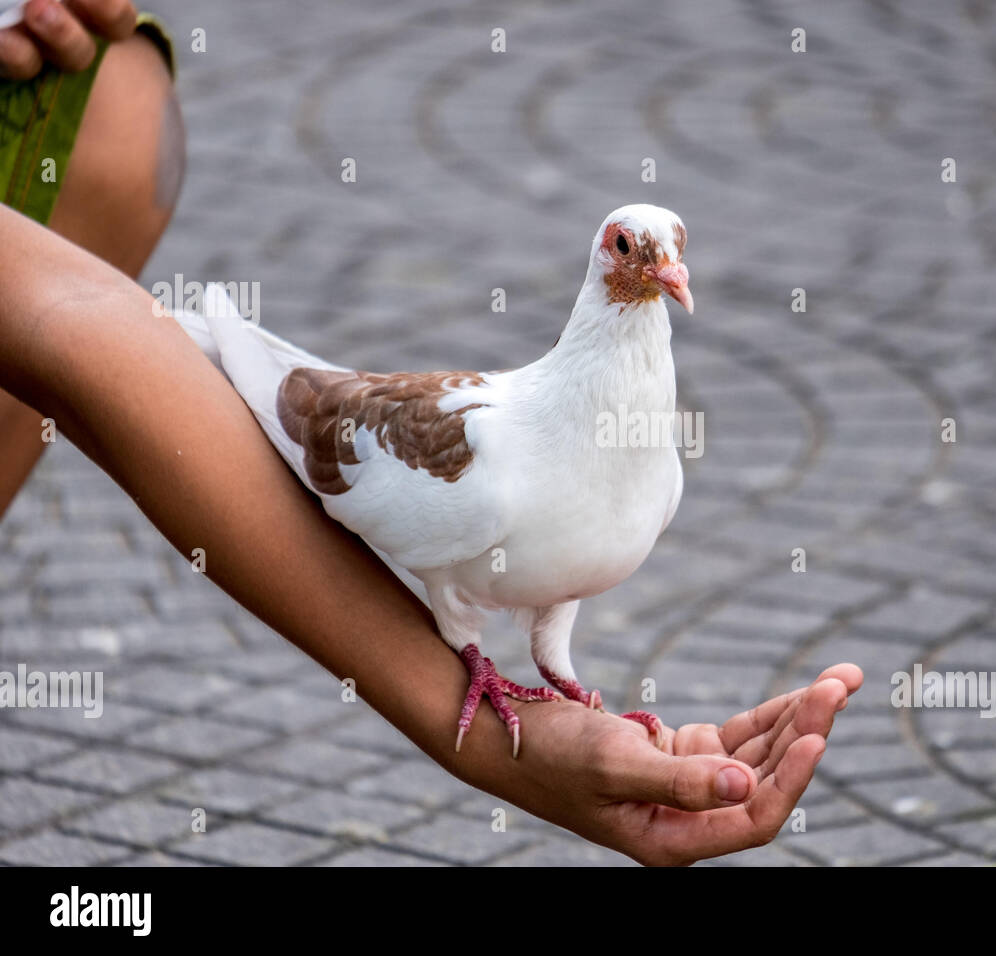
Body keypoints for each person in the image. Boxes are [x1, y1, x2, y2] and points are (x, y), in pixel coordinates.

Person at [0, 0, 863, 866]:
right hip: (382, 422)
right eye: (633, 248)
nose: (658, 265)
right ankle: (478, 655)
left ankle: (554, 673)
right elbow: (72, 342)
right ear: (608, 258)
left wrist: (566, 696)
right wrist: (474, 693)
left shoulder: (657, 474)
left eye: (667, 251)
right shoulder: (487, 472)